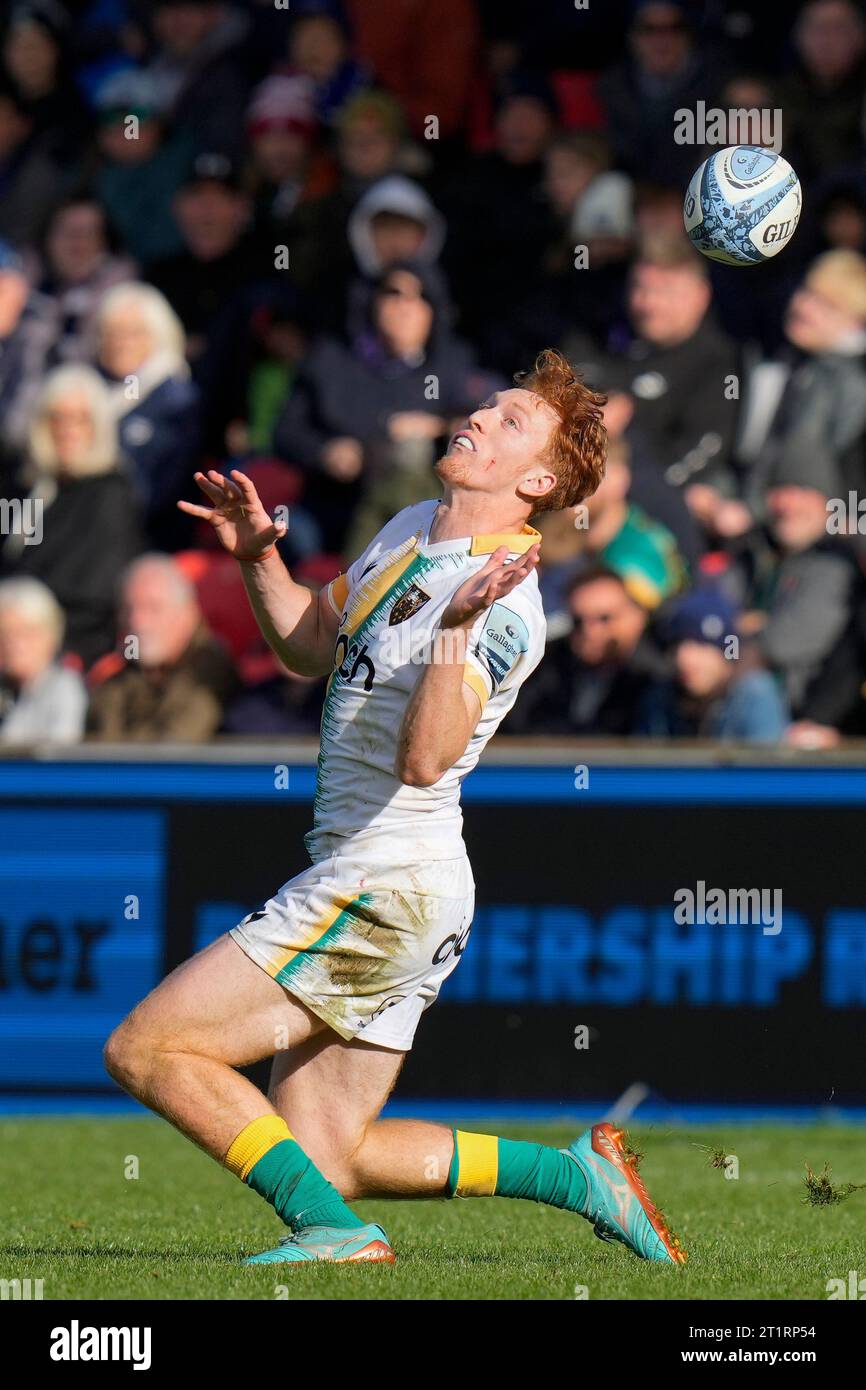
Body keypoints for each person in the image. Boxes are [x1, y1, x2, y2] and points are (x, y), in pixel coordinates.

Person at [103, 349, 686, 1268]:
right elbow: (309, 647)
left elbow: (423, 762)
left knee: (149, 1048)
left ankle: (332, 1234)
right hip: (399, 885)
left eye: (507, 421)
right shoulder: (413, 525)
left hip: (385, 881)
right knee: (328, 1154)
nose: (479, 417)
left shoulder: (506, 607)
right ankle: (579, 1178)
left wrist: (453, 632)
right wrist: (261, 557)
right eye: (487, 404)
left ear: (537, 480)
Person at [0, 364, 142, 669]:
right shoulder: (26, 485)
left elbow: (93, 595)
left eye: (81, 419)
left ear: (98, 427)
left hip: (68, 649)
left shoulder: (109, 493)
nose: (67, 430)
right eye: (57, 418)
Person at [86, 554, 237, 742]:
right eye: (128, 609)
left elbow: (174, 746)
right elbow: (97, 741)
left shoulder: (210, 671)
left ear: (187, 614)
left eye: (153, 608)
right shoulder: (121, 675)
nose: (137, 622)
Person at [96, 281, 201, 547]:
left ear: (158, 335)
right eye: (111, 333)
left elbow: (164, 490)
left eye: (132, 333)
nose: (120, 343)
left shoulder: (176, 400)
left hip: (147, 539)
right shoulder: (91, 390)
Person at [507, 566, 665, 737]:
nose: (590, 632)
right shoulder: (548, 667)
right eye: (578, 621)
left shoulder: (657, 678)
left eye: (604, 618)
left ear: (637, 616)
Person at [637, 586, 789, 743]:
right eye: (678, 644)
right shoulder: (662, 699)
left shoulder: (754, 694)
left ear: (728, 651)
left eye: (700, 644)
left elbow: (764, 762)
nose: (685, 658)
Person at [0, 575, 86, 745]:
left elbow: (56, 757)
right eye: (4, 633)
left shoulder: (64, 689)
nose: (14, 644)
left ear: (52, 636)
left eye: (27, 632)